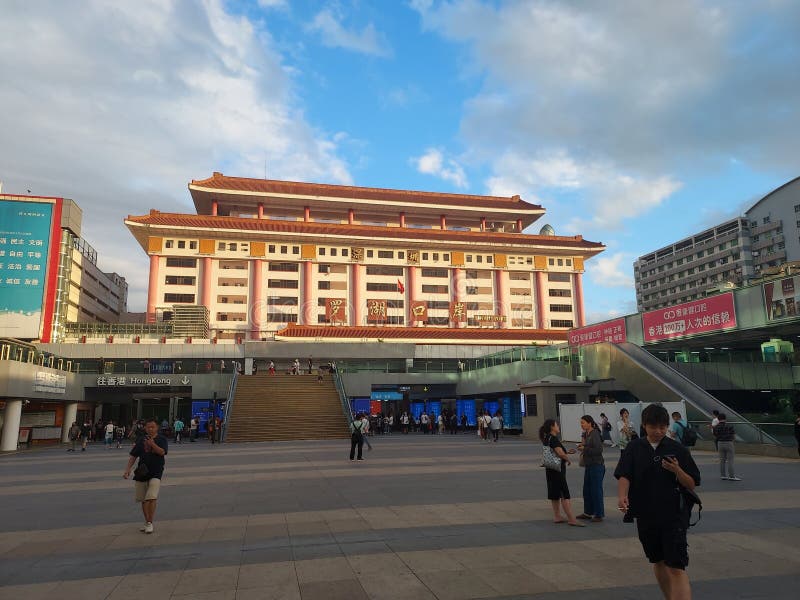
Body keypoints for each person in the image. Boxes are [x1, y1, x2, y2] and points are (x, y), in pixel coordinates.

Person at [615, 404, 701, 600]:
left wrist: (677, 470)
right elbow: (624, 475)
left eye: (663, 427)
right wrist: (622, 495)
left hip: (673, 517)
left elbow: (692, 483)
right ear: (644, 426)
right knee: (658, 561)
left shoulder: (677, 449)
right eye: (654, 427)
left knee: (676, 566)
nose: (658, 431)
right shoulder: (635, 448)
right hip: (646, 515)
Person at [123, 417, 168, 534]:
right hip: (142, 472)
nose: (150, 429)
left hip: (156, 472)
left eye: (153, 427)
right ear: (145, 428)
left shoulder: (161, 439)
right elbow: (133, 456)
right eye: (148, 427)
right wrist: (127, 469)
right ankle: (147, 521)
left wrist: (152, 444)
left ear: (157, 427)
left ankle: (149, 522)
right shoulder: (141, 440)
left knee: (151, 497)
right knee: (143, 499)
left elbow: (162, 452)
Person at [539, 419, 584, 527]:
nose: (558, 426)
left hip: (550, 469)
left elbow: (553, 452)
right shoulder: (553, 438)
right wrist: (567, 458)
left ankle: (557, 516)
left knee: (555, 493)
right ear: (552, 427)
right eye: (556, 425)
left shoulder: (547, 438)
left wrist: (566, 452)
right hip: (558, 470)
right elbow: (559, 453)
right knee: (564, 493)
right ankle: (572, 519)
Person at [576, 415, 605, 522]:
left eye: (583, 422)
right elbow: (588, 446)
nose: (581, 425)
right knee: (587, 490)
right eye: (581, 422)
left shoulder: (595, 434)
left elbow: (598, 450)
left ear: (589, 423)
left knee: (596, 490)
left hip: (597, 465)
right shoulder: (587, 434)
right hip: (589, 465)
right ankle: (588, 512)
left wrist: (585, 448)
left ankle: (599, 514)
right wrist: (582, 446)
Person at [713, 413, 741, 481]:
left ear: (718, 419)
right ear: (725, 418)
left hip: (720, 443)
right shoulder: (729, 426)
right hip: (728, 442)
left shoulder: (716, 426)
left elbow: (715, 435)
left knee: (722, 460)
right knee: (730, 460)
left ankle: (723, 475)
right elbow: (733, 435)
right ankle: (731, 476)